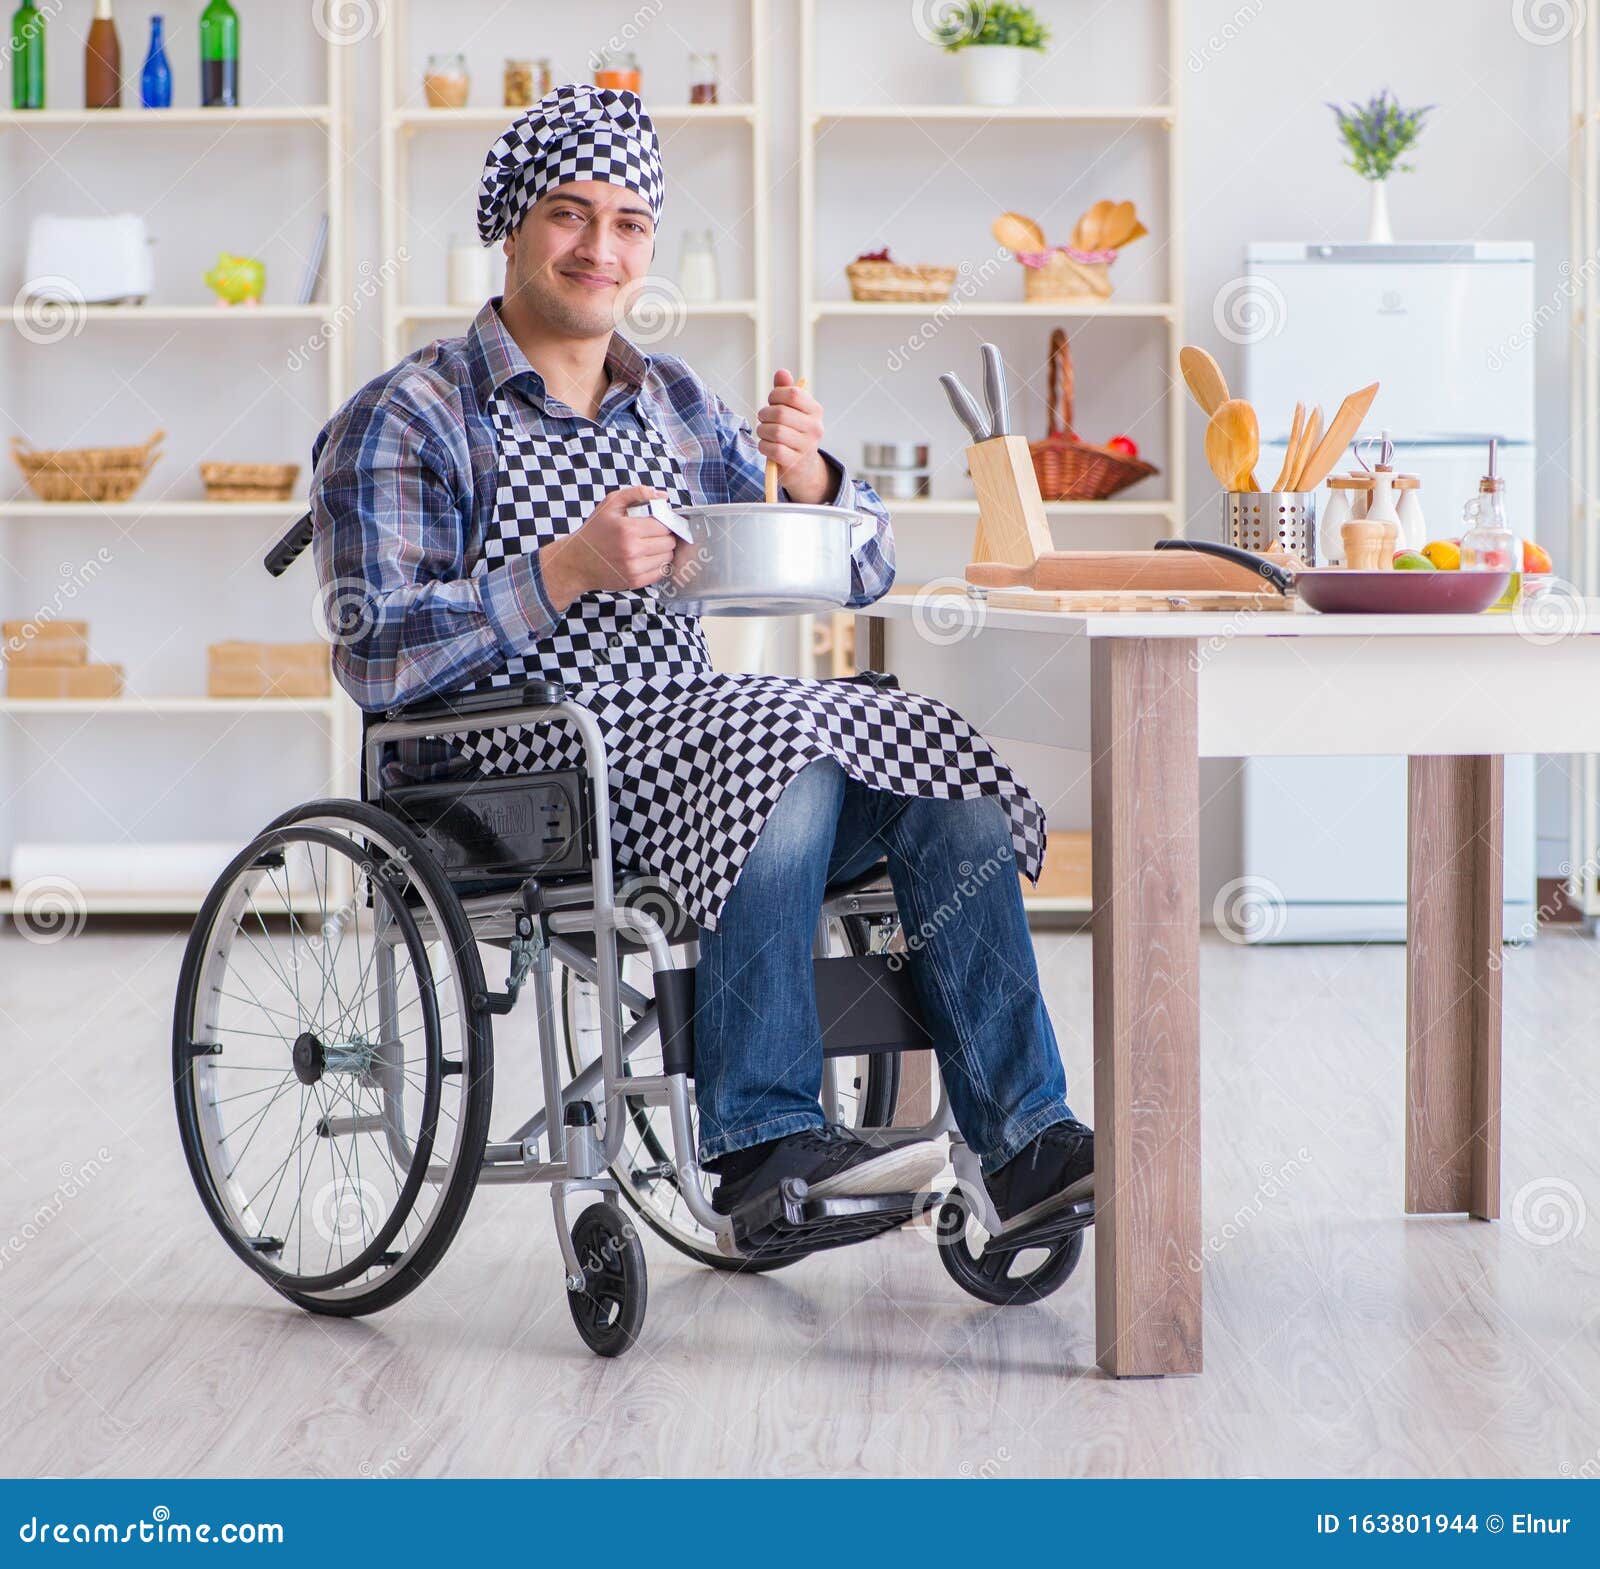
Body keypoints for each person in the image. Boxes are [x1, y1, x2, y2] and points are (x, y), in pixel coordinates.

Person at [310, 84, 1092, 1233]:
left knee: (938, 771)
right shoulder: (414, 414)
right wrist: (561, 572)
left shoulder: (672, 403)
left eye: (628, 223)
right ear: (513, 227)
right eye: (570, 215)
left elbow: (860, 573)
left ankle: (1023, 1146)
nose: (600, 248)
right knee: (782, 739)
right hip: (509, 779)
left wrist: (818, 485)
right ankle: (761, 1140)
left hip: (691, 745)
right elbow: (373, 653)